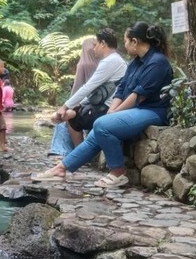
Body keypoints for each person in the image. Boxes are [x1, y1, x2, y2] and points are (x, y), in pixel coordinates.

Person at [33, 22, 173, 188]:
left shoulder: (157, 62)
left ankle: (118, 172)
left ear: (135, 42)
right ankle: (61, 169)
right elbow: (121, 89)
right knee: (97, 133)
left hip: (153, 111)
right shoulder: (136, 62)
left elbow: (139, 96)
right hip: (136, 109)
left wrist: (114, 113)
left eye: (126, 41)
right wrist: (112, 110)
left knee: (102, 125)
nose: (125, 45)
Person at [54, 28, 127, 146]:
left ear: (103, 43)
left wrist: (65, 106)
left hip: (107, 107)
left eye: (96, 44)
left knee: (72, 118)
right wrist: (76, 104)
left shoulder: (109, 61)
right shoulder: (116, 59)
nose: (94, 49)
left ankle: (79, 155)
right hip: (107, 104)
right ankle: (80, 153)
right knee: (72, 112)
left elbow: (88, 87)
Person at [48, 37, 99, 156]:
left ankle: (60, 149)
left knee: (63, 117)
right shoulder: (102, 62)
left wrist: (67, 105)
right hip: (97, 102)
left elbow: (77, 88)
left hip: (84, 101)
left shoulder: (83, 64)